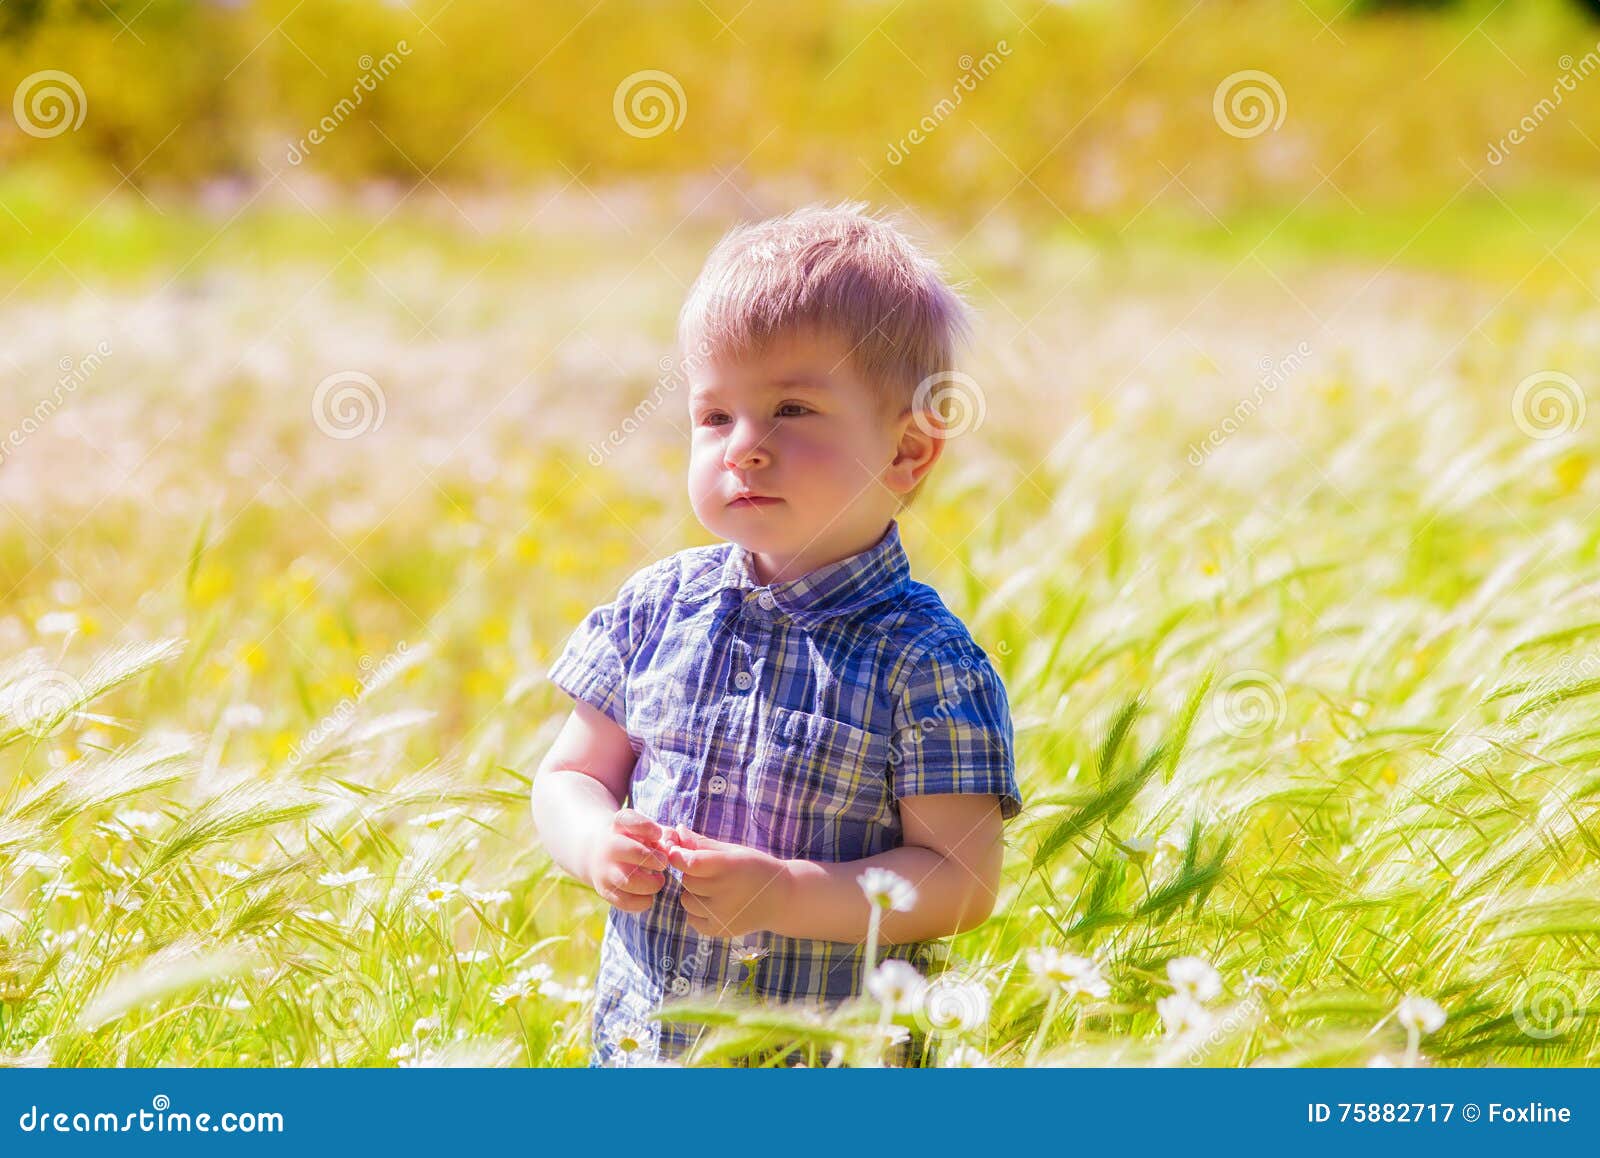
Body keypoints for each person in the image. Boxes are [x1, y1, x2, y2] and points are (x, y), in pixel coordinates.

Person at [531, 202, 1023, 1067]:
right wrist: (594, 841)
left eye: (791, 409)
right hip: (646, 1053)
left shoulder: (926, 664)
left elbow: (960, 880)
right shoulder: (657, 608)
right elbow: (570, 775)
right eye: (715, 416)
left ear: (907, 452)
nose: (744, 449)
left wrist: (787, 894)